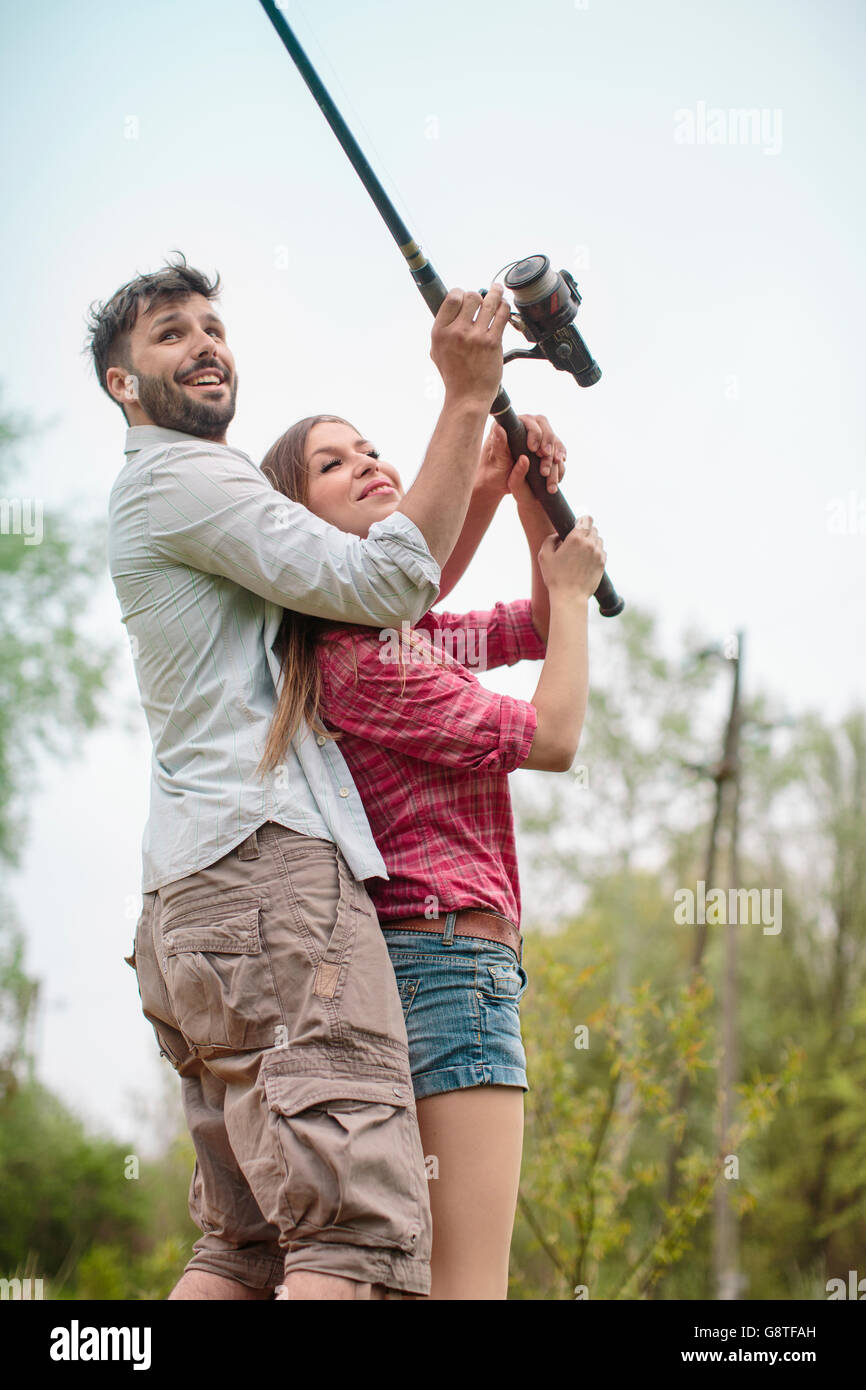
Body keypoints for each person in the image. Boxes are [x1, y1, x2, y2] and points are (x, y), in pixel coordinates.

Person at [89, 253, 518, 1300]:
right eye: (169, 334)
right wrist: (463, 395)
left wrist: (484, 478)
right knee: (357, 1233)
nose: (203, 346)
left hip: (189, 904)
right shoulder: (194, 479)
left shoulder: (166, 499)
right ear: (120, 382)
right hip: (272, 883)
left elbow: (368, 608)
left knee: (242, 1246)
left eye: (212, 327)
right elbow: (383, 581)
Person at [257, 409, 606, 1298]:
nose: (368, 462)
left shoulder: (390, 638)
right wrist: (574, 596)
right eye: (331, 464)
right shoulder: (366, 663)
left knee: (414, 1282)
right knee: (466, 1287)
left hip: (424, 963)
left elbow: (523, 626)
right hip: (451, 970)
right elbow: (556, 736)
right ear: (299, 532)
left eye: (368, 446)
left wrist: (523, 491)